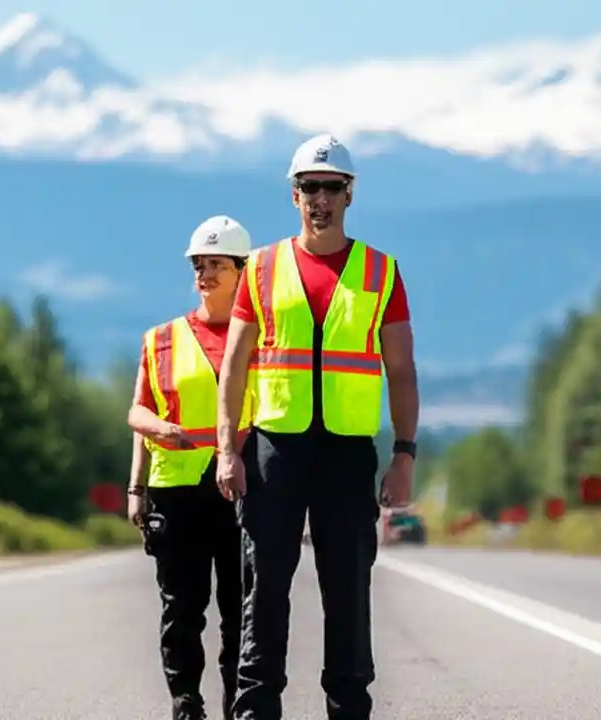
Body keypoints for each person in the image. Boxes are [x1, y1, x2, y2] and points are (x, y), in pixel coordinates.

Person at [214, 134, 420, 720]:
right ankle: (255, 711)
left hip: (348, 456)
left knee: (348, 592)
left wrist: (404, 454)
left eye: (332, 188)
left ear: (350, 195)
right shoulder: (260, 269)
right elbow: (234, 366)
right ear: (294, 194)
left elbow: (401, 371)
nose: (320, 199)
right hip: (275, 452)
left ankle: (349, 709)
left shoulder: (381, 271)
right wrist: (228, 449)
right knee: (265, 592)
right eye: (310, 187)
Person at [127, 214, 258, 720]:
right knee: (181, 610)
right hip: (176, 492)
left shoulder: (262, 341)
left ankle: (234, 706)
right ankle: (186, 705)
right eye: (198, 266)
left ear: (242, 272)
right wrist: (136, 488)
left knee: (238, 613)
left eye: (216, 266)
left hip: (240, 490)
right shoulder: (161, 339)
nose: (204, 276)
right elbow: (140, 412)